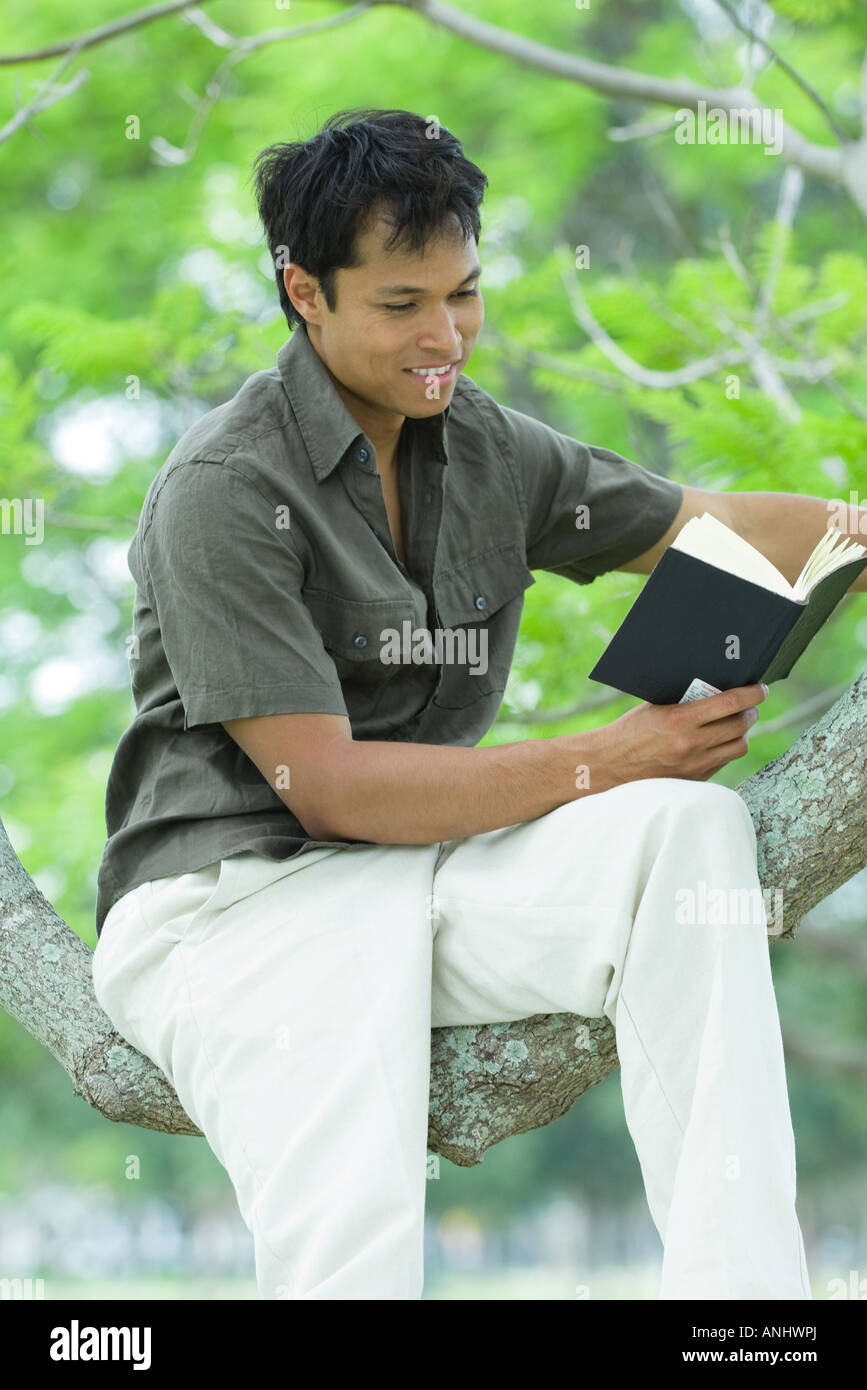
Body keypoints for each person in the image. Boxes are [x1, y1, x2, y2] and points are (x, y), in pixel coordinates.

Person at [93, 107, 859, 1301]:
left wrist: (850, 532)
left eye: (466, 294)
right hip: (230, 901)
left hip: (432, 875)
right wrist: (613, 756)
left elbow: (699, 524)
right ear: (305, 292)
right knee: (354, 1250)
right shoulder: (224, 488)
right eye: (403, 306)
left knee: (688, 834)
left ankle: (746, 1313)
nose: (446, 335)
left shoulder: (489, 447)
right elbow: (329, 787)